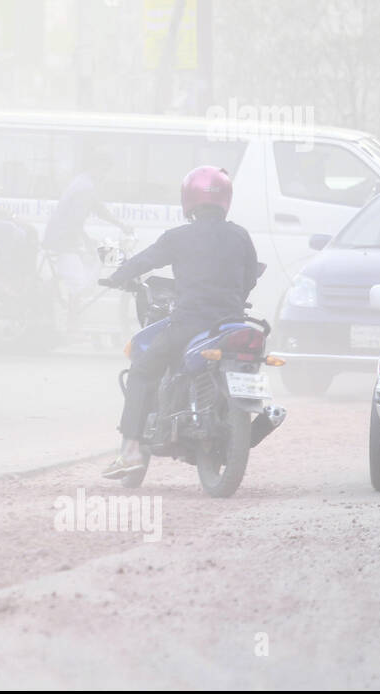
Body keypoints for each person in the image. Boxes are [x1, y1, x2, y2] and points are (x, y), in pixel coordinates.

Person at [97, 166, 259, 479]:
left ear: (189, 198)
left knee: (142, 371)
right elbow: (250, 276)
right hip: (231, 324)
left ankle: (130, 452)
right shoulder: (240, 235)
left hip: (190, 323)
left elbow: (144, 261)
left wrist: (117, 275)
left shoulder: (178, 237)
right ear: (225, 198)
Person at [41, 152, 132, 312]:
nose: (105, 175)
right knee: (81, 285)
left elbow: (99, 209)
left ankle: (73, 313)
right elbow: (75, 221)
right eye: (104, 170)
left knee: (96, 256)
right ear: (94, 168)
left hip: (63, 237)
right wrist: (87, 242)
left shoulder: (83, 182)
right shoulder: (85, 187)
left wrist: (121, 225)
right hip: (63, 240)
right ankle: (70, 317)